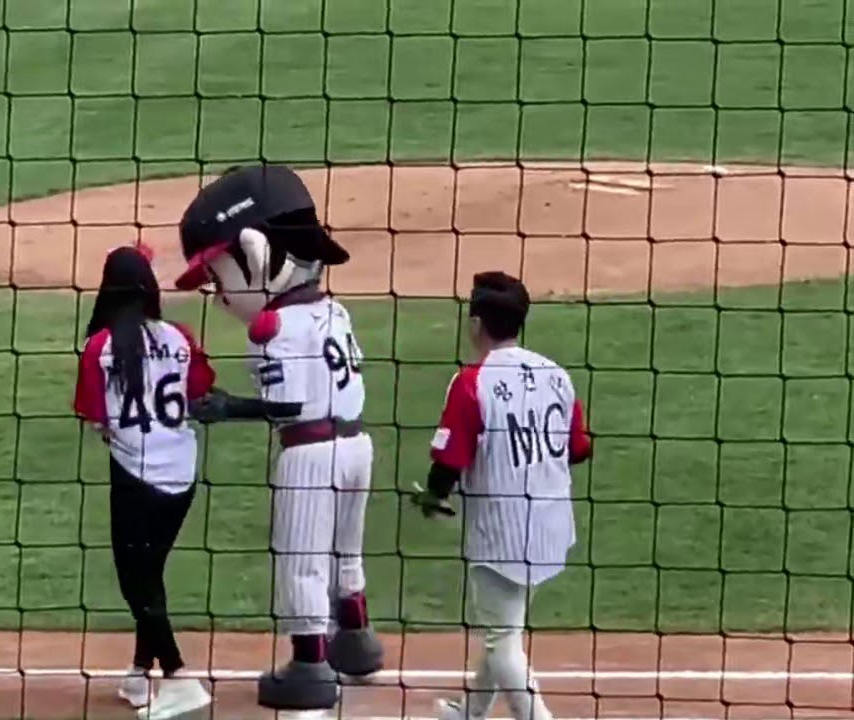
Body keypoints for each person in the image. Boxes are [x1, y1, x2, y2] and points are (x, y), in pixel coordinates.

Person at [171, 164, 383, 712]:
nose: (218, 293)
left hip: (310, 453)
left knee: (301, 557)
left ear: (256, 253)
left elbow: (286, 405)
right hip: (359, 446)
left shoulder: (270, 329)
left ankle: (310, 663)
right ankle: (356, 640)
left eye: (219, 277)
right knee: (345, 550)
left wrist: (226, 408)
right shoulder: (334, 309)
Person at [412, 271, 593, 720]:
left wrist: (433, 498)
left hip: (501, 535)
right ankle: (470, 713)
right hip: (552, 525)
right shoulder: (555, 375)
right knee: (504, 627)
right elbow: (578, 449)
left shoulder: (472, 382)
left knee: (502, 639)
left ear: (476, 324)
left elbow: (449, 461)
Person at [72, 244, 215, 720]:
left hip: (135, 478)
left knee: (138, 581)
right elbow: (198, 391)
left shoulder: (100, 346)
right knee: (149, 575)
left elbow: (95, 418)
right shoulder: (179, 335)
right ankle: (139, 672)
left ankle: (177, 675)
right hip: (181, 477)